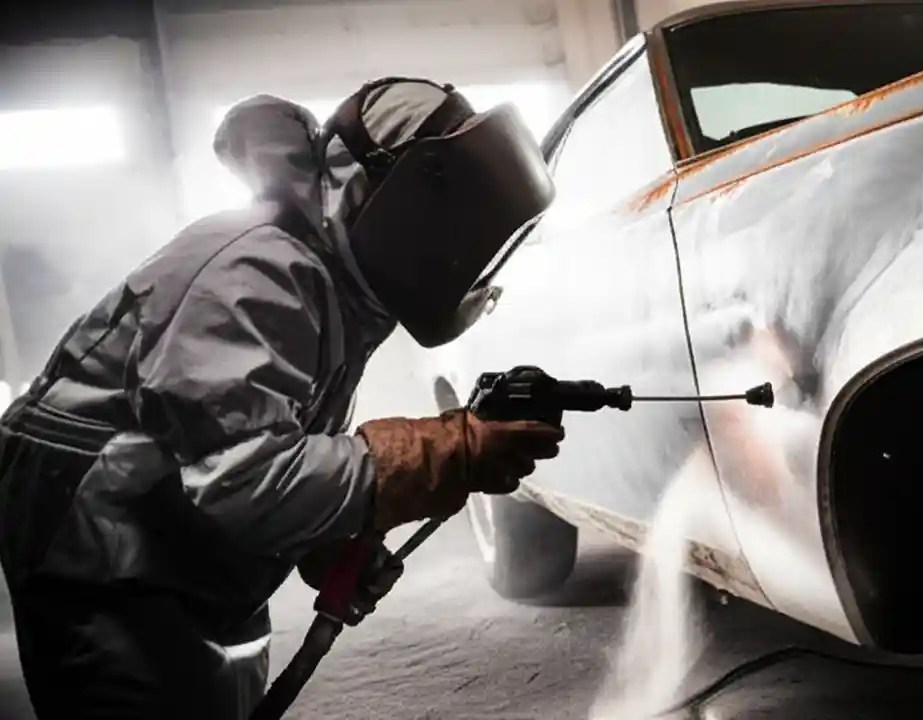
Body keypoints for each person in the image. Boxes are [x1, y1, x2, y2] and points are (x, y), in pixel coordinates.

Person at [0, 78, 561, 719]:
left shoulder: (334, 284)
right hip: (101, 546)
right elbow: (245, 477)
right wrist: (440, 452)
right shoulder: (258, 270)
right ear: (387, 194)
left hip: (174, 545)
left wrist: (323, 540)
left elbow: (251, 447)